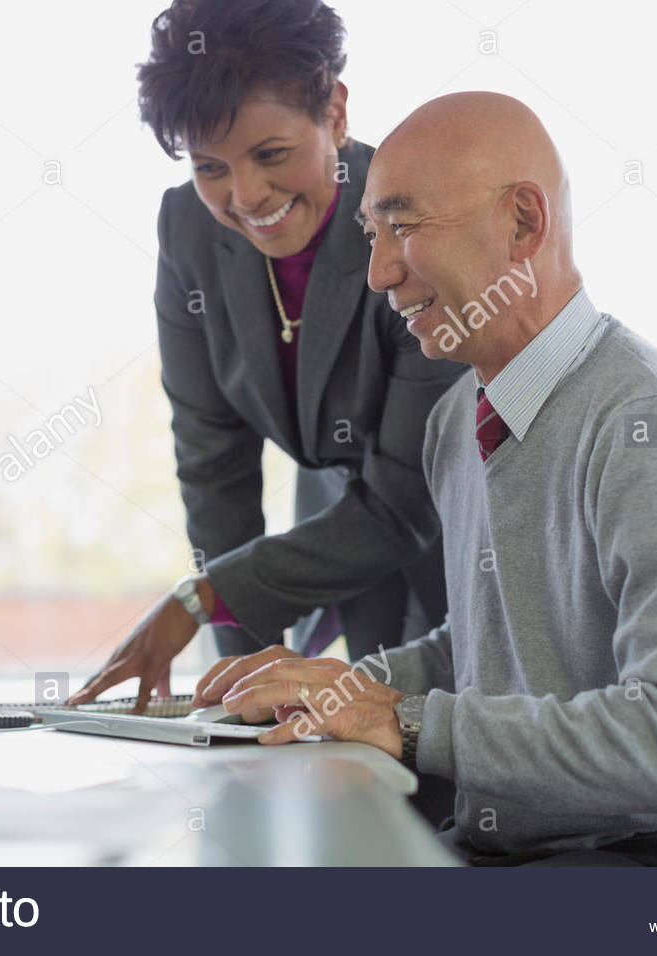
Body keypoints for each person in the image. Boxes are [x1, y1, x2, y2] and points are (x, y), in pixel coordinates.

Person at [195, 91, 657, 866]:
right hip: (533, 854)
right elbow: (497, 648)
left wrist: (412, 722)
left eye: (405, 226)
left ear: (522, 222)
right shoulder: (459, 419)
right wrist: (341, 686)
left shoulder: (654, 422)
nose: (381, 271)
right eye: (371, 234)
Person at [70, 0, 465, 710]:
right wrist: (241, 695)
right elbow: (213, 468)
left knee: (440, 796)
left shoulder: (414, 223)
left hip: (469, 563)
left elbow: (405, 503)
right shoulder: (189, 231)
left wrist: (203, 598)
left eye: (271, 155)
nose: (245, 195)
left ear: (335, 114)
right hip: (332, 552)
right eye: (209, 166)